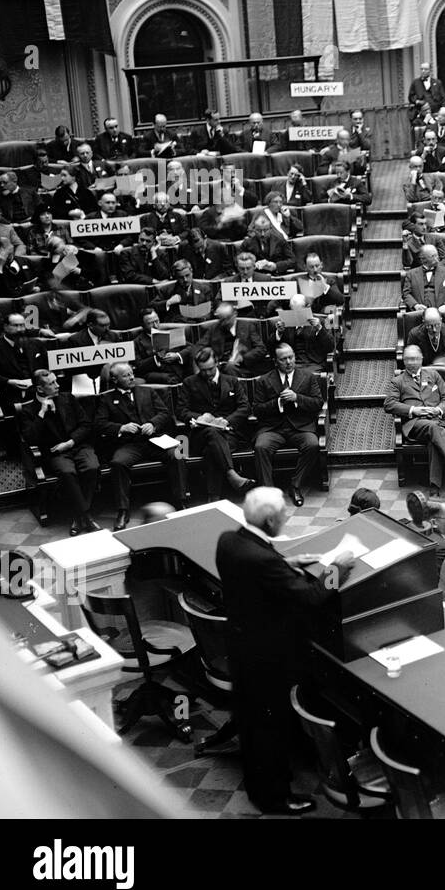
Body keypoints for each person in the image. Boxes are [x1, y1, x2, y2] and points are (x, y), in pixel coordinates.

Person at [217, 487, 354, 815]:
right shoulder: (262, 559)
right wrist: (337, 570)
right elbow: (310, 598)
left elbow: (254, 566)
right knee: (268, 728)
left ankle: (264, 785)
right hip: (267, 658)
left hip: (241, 647)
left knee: (253, 724)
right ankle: (274, 798)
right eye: (282, 515)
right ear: (268, 520)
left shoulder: (229, 540)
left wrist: (286, 562)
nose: (287, 517)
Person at [18, 369, 100, 538]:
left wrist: (70, 442)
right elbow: (30, 438)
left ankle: (78, 516)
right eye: (52, 383)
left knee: (92, 467)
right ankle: (86, 515)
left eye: (56, 381)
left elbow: (86, 425)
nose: (57, 385)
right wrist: (41, 414)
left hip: (77, 446)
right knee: (67, 472)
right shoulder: (27, 410)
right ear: (40, 389)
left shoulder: (67, 398)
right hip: (55, 453)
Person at [94, 363, 174, 531]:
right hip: (129, 444)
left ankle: (181, 501)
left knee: (177, 453)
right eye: (126, 375)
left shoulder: (147, 391)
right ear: (114, 379)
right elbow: (100, 424)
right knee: (118, 463)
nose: (131, 378)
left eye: (132, 374)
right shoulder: (106, 398)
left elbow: (165, 413)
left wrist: (153, 424)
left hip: (153, 440)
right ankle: (123, 510)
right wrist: (120, 428)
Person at [384, 344, 445, 494]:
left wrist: (439, 409)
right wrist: (414, 410)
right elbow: (389, 404)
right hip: (415, 424)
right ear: (404, 361)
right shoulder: (398, 381)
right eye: (408, 359)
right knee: (433, 428)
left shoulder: (433, 375)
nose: (412, 362)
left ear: (422, 359)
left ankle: (434, 487)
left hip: (438, 421)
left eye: (415, 358)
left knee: (434, 439)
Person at [179, 346, 254, 502]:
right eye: (203, 370)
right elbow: (181, 410)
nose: (207, 373)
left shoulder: (232, 381)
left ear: (218, 363)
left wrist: (228, 420)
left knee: (211, 450)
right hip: (200, 435)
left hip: (229, 433)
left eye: (210, 369)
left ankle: (213, 497)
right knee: (212, 433)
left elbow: (245, 407)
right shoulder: (189, 383)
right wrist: (200, 417)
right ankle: (232, 475)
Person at [251, 343, 323, 506]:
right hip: (273, 428)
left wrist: (297, 398)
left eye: (291, 357)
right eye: (283, 359)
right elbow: (257, 409)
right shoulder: (264, 380)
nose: (289, 362)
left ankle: (295, 485)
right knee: (261, 447)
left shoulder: (308, 376)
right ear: (276, 361)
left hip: (300, 427)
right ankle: (268, 494)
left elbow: (318, 403)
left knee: (312, 444)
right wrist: (278, 402)